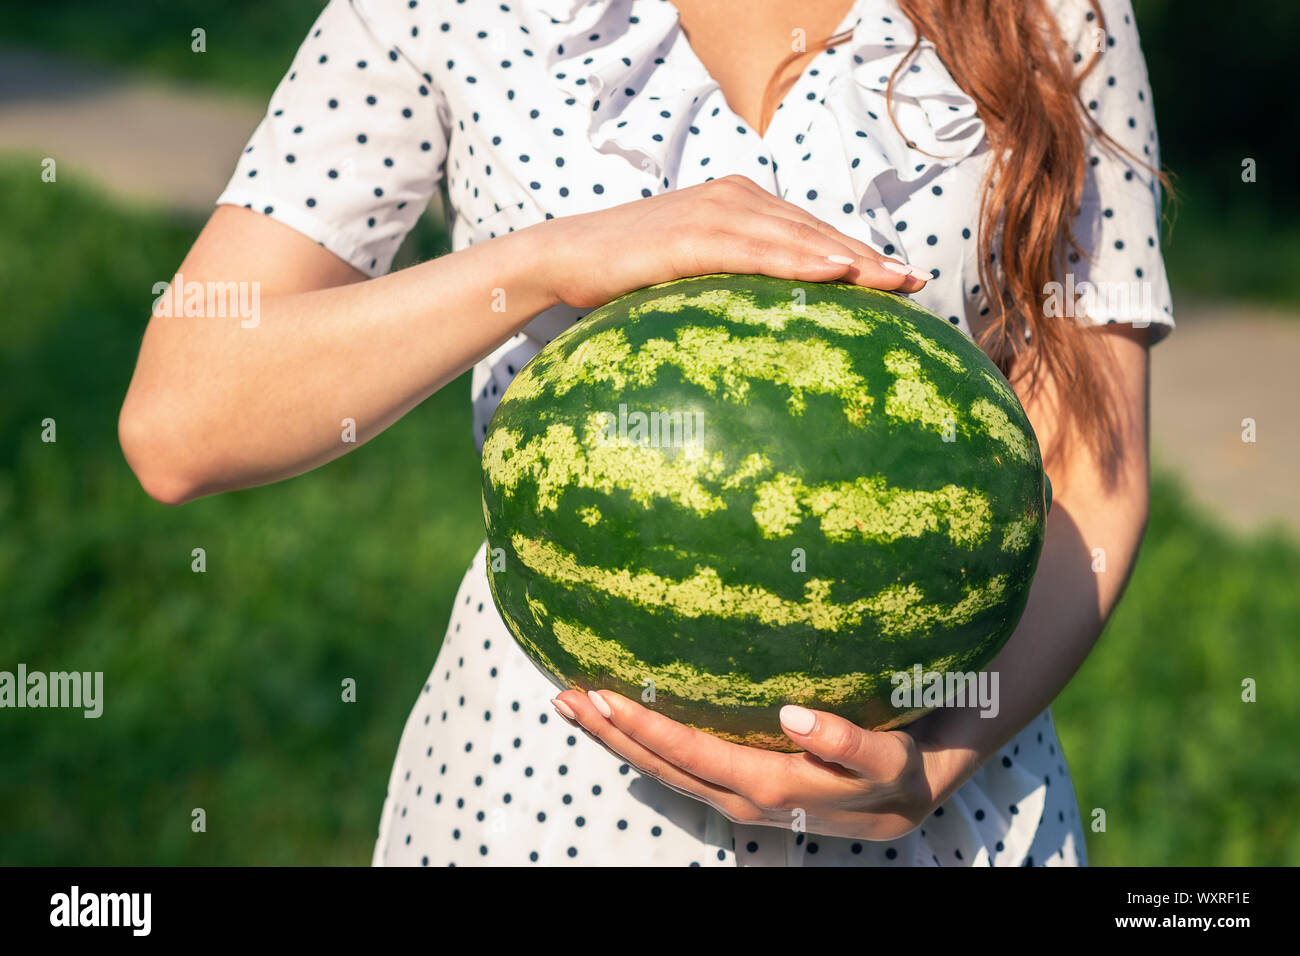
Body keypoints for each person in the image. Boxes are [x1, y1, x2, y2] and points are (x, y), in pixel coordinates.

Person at [119, 0, 1173, 866]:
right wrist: (547, 262)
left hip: (938, 820)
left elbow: (1089, 465)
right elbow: (184, 417)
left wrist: (926, 766)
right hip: (540, 814)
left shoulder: (1058, 12)